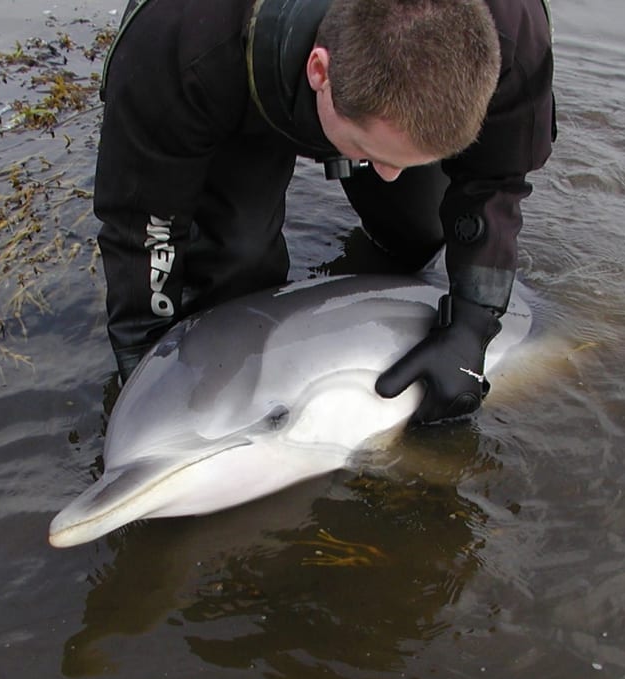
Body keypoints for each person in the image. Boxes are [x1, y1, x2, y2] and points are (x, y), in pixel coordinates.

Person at [94, 0, 555, 423]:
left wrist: (473, 324)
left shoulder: (513, 29)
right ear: (319, 70)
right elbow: (146, 225)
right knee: (234, 260)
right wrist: (146, 361)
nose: (389, 176)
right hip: (238, 77)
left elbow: (497, 179)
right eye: (368, 151)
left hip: (362, 101)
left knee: (420, 227)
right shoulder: (181, 43)